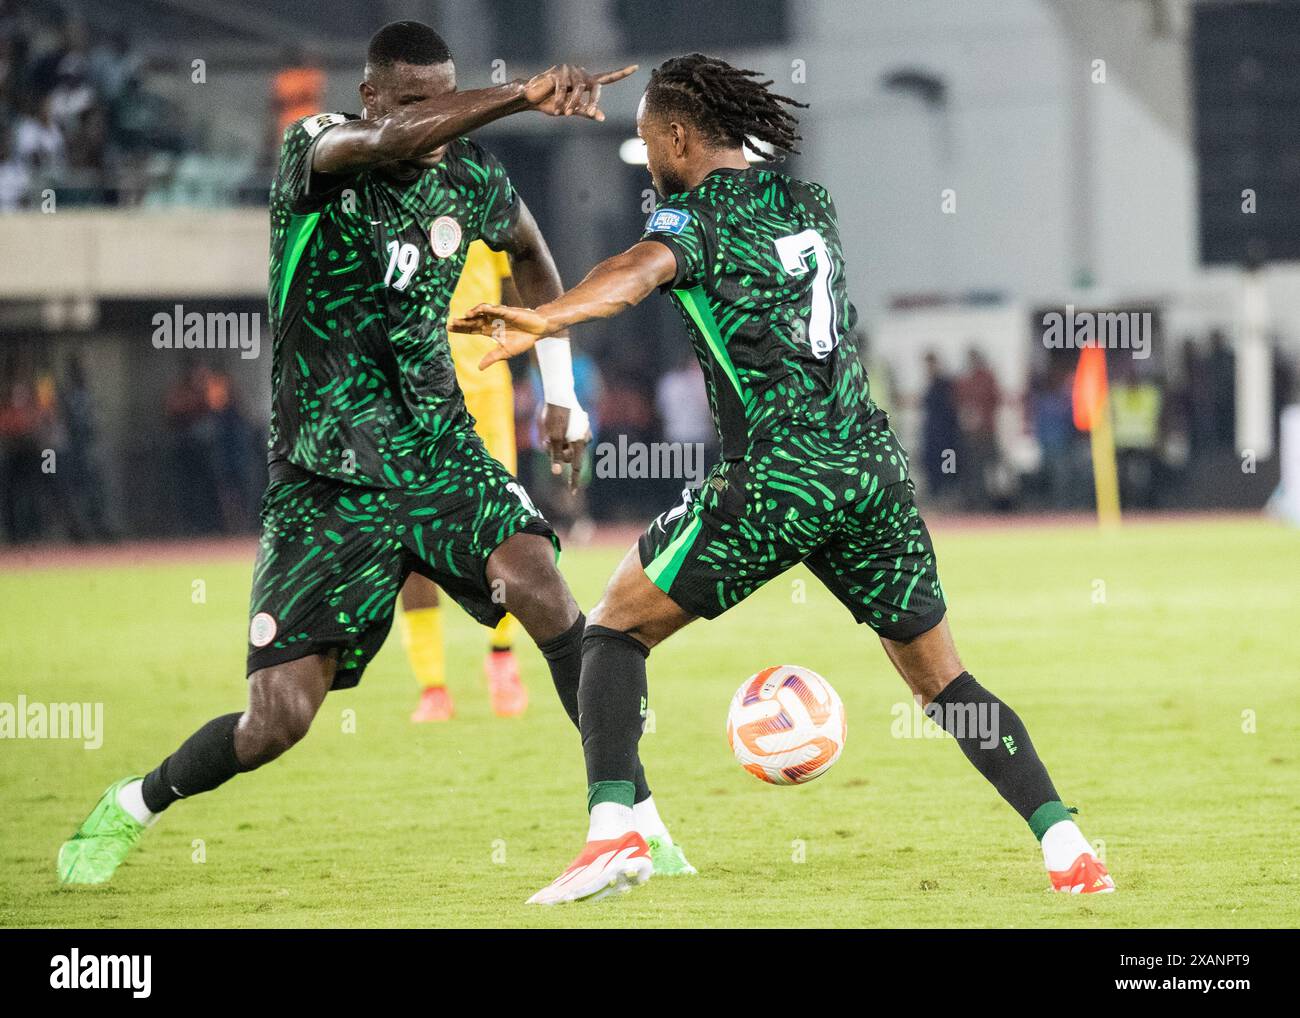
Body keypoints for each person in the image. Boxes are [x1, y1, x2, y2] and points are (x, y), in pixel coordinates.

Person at [455, 53, 1114, 904]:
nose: (649, 153)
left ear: (680, 136)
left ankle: (614, 834)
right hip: (869, 468)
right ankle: (1067, 845)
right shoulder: (812, 203)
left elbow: (632, 276)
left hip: (779, 474)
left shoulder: (692, 220)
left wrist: (545, 315)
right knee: (945, 682)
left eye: (652, 136)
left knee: (613, 629)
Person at [56, 22, 696, 886]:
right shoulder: (316, 152)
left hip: (439, 456)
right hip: (326, 480)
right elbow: (399, 139)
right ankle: (135, 803)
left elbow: (534, 257)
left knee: (548, 596)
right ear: (371, 99)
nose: (433, 124)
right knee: (275, 721)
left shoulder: (472, 177)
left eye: (446, 100)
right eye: (415, 105)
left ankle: (631, 821)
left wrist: (560, 390)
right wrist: (518, 94)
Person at [401, 239, 531, 723]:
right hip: (413, 402)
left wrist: (546, 381)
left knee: (502, 533)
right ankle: (433, 686)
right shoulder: (385, 200)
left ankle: (501, 657)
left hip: (484, 395)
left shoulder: (481, 196)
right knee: (411, 542)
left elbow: (521, 284)